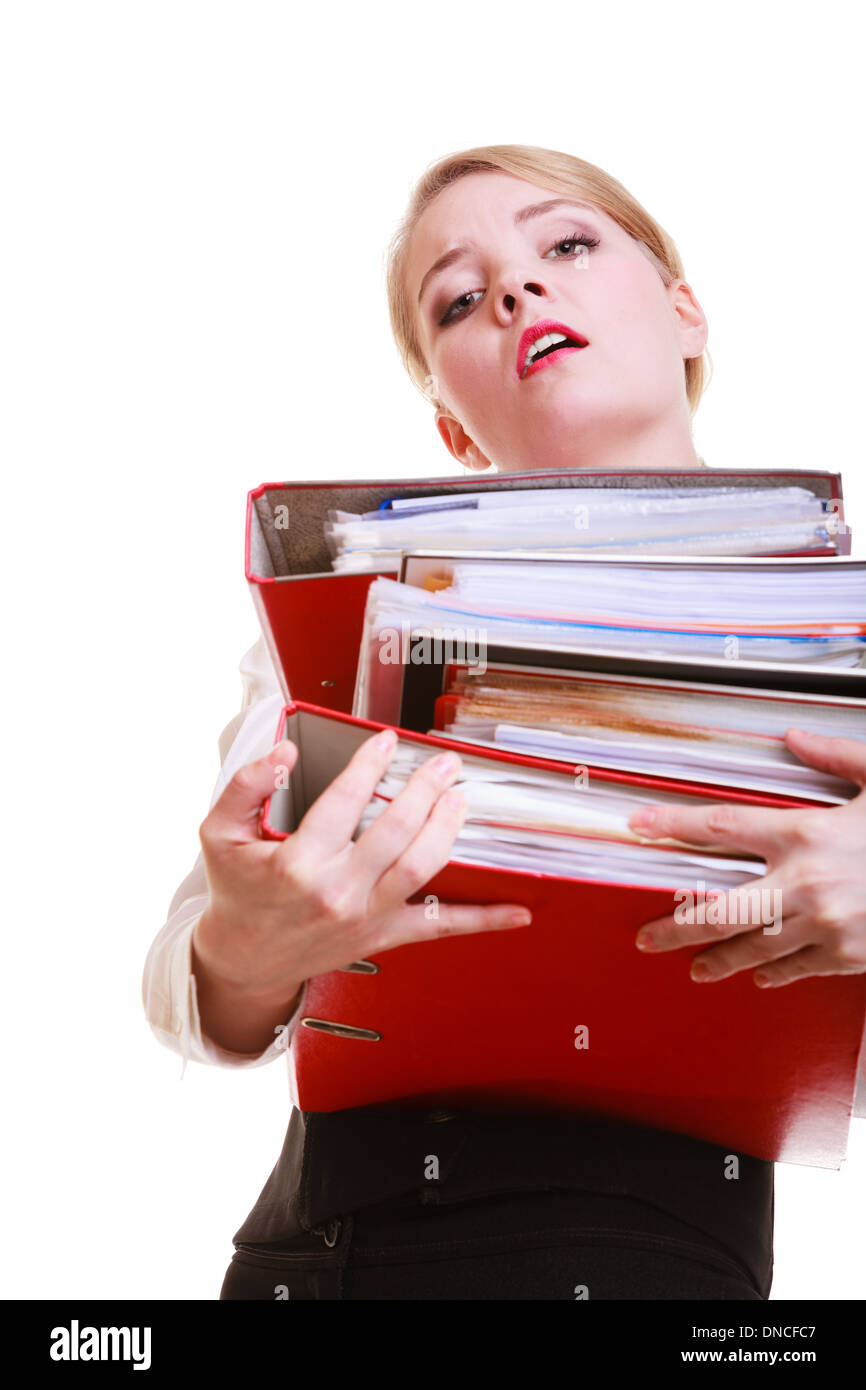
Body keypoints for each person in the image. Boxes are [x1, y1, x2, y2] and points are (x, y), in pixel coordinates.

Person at [142, 144, 866, 1300]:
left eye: (565, 244)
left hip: (656, 1253)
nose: (517, 293)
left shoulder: (852, 625)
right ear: (452, 432)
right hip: (321, 1248)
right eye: (458, 300)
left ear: (685, 312)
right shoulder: (337, 613)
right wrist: (245, 949)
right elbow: (200, 995)